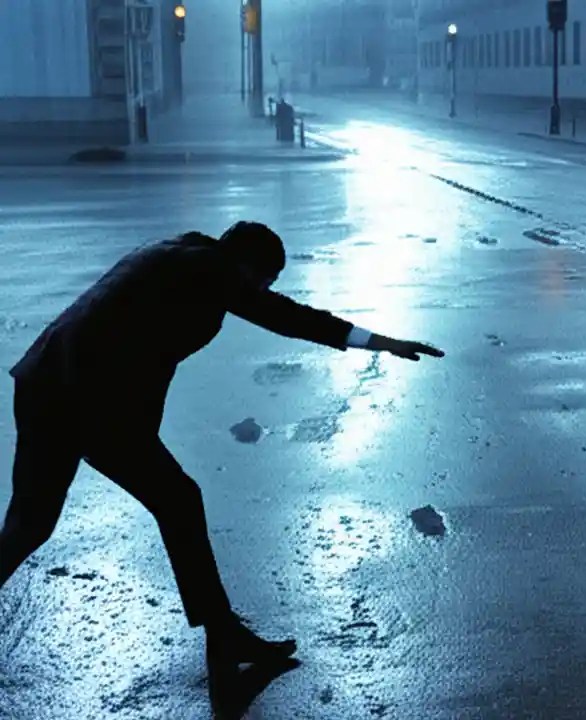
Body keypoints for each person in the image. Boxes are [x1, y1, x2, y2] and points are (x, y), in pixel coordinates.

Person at [0, 221, 443, 671]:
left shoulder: (178, 253)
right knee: (177, 501)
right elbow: (284, 316)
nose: (263, 289)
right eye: (266, 280)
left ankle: (222, 633)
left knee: (31, 524)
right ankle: (223, 635)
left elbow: (132, 340)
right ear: (250, 267)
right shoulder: (209, 270)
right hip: (86, 400)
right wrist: (380, 343)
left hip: (45, 382)